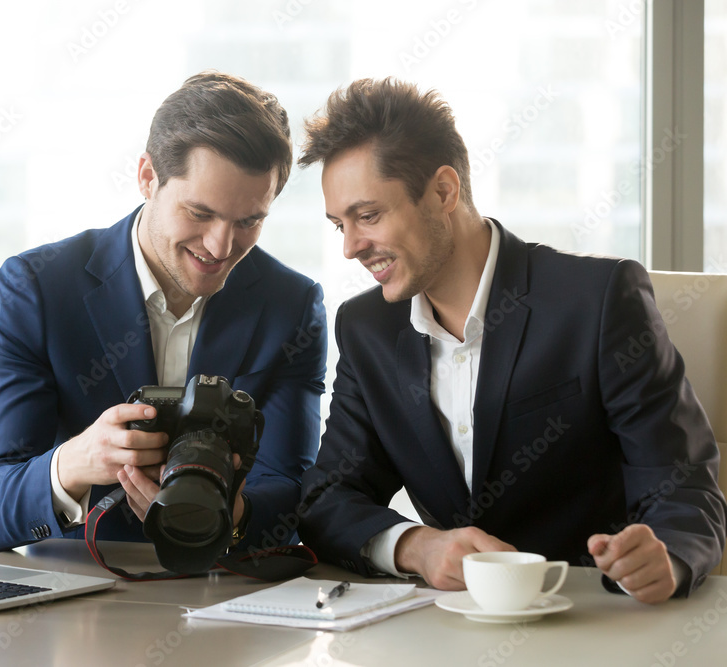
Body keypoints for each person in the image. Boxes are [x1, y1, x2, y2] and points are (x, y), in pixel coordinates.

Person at [297, 78, 726, 604]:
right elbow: (326, 499)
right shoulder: (367, 329)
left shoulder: (597, 300)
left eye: (368, 216)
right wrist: (417, 546)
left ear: (443, 191)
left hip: (594, 620)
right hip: (445, 631)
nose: (350, 248)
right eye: (339, 224)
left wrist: (667, 557)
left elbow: (683, 487)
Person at [0, 71, 326, 555]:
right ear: (146, 177)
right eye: (200, 213)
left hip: (226, 597)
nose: (222, 246)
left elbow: (290, 495)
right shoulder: (36, 290)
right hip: (76, 599)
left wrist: (232, 512)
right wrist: (75, 461)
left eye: (249, 221)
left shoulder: (291, 306)